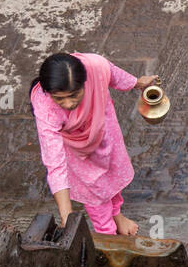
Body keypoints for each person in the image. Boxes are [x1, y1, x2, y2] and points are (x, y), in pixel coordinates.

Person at [29, 53, 160, 237]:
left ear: (85, 82)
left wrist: (137, 83)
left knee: (111, 174)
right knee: (94, 190)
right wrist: (68, 220)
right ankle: (107, 233)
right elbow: (55, 165)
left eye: (74, 95)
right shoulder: (45, 107)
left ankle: (117, 215)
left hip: (102, 127)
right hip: (77, 148)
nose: (68, 103)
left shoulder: (95, 67)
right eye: (60, 98)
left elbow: (112, 74)